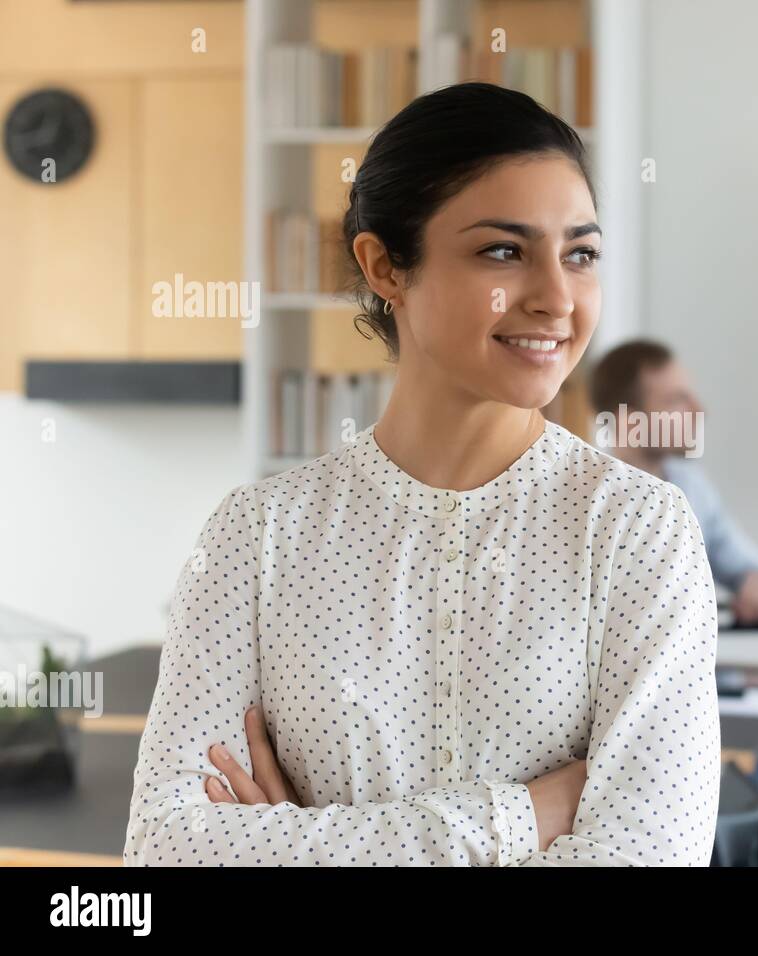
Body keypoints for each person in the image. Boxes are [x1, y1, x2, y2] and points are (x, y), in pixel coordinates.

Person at [123, 83, 721, 867]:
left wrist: (296, 845)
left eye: (580, 254)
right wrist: (525, 819)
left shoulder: (640, 531)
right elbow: (167, 849)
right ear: (384, 267)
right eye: (503, 251)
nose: (556, 298)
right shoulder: (256, 536)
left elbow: (648, 857)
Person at [588, 340, 758, 624]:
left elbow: (744, 563)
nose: (698, 410)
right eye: (676, 401)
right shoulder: (589, 495)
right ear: (630, 422)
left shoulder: (692, 486)